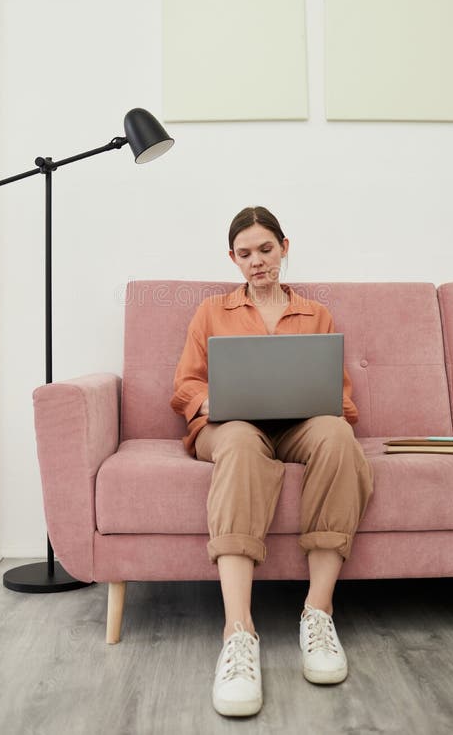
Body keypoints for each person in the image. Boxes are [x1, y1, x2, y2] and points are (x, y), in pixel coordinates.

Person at [170, 207, 374, 717]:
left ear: (285, 246)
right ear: (232, 259)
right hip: (232, 427)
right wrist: (212, 402)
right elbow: (185, 386)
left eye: (266, 249)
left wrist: (319, 403)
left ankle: (318, 613)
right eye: (245, 254)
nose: (257, 262)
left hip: (298, 426)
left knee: (336, 435)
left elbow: (340, 399)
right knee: (239, 445)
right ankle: (238, 632)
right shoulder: (210, 311)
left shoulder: (315, 314)